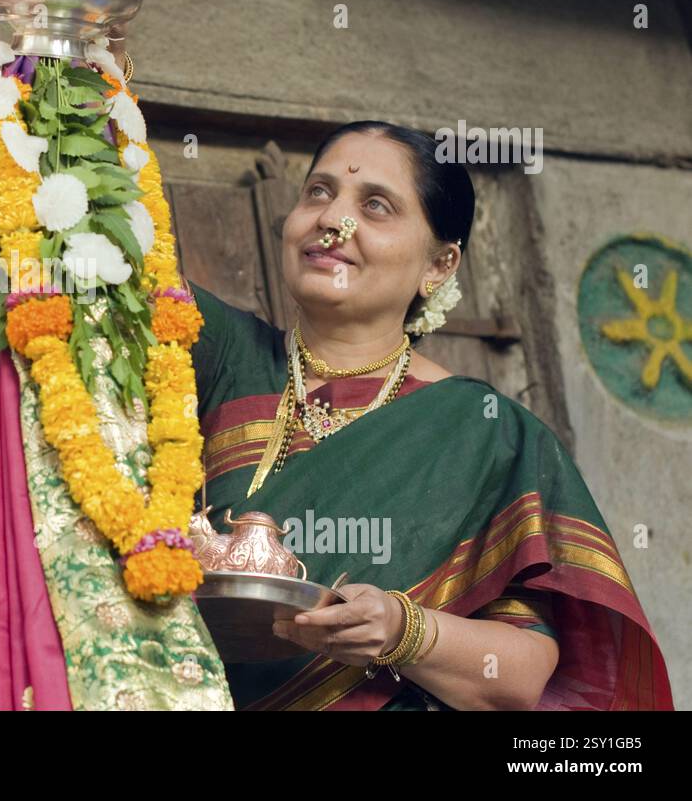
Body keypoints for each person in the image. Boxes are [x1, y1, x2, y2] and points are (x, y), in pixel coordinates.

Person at [187, 121, 673, 710]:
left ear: (439, 265)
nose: (332, 220)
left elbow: (518, 674)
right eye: (318, 192)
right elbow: (100, 248)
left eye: (375, 206)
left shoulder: (485, 434)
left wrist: (401, 628)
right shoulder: (210, 349)